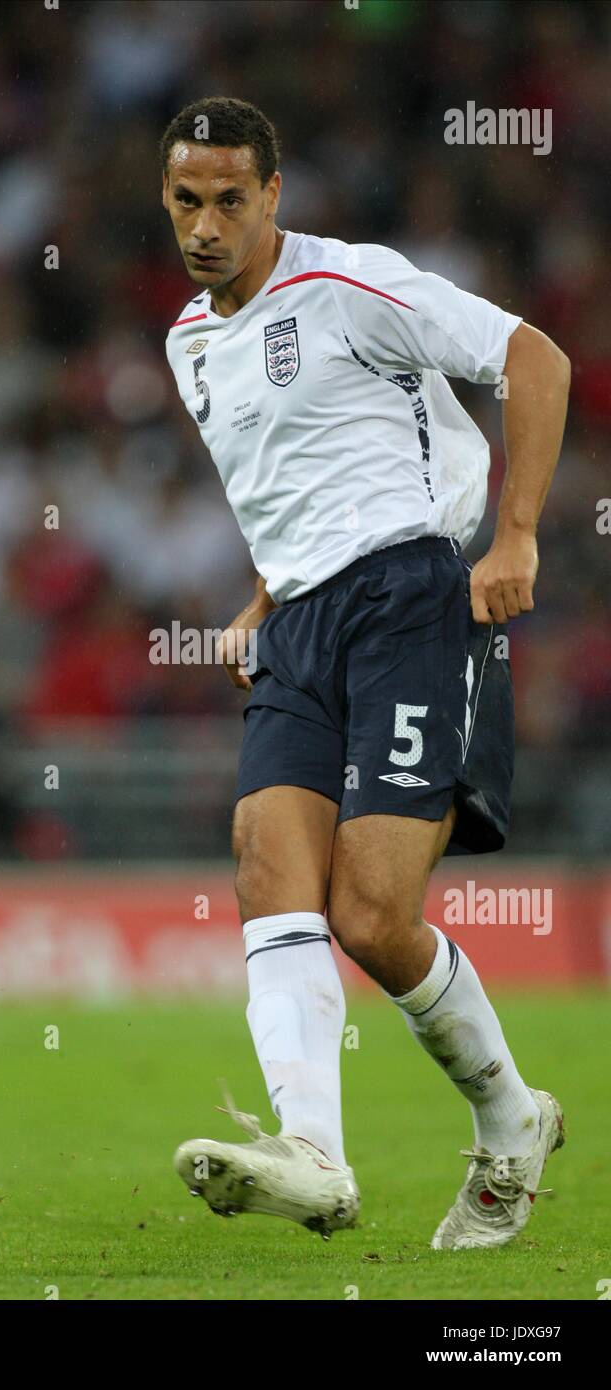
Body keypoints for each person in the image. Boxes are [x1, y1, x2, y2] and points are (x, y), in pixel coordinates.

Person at [161, 98, 570, 1250]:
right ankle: (316, 1156)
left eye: (230, 199)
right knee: (264, 868)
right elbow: (284, 483)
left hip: (409, 597)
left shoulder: (350, 286)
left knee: (374, 915)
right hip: (299, 628)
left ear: (274, 196)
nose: (206, 223)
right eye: (187, 200)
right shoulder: (188, 342)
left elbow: (533, 358)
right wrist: (258, 601)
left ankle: (507, 1116)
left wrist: (520, 534)